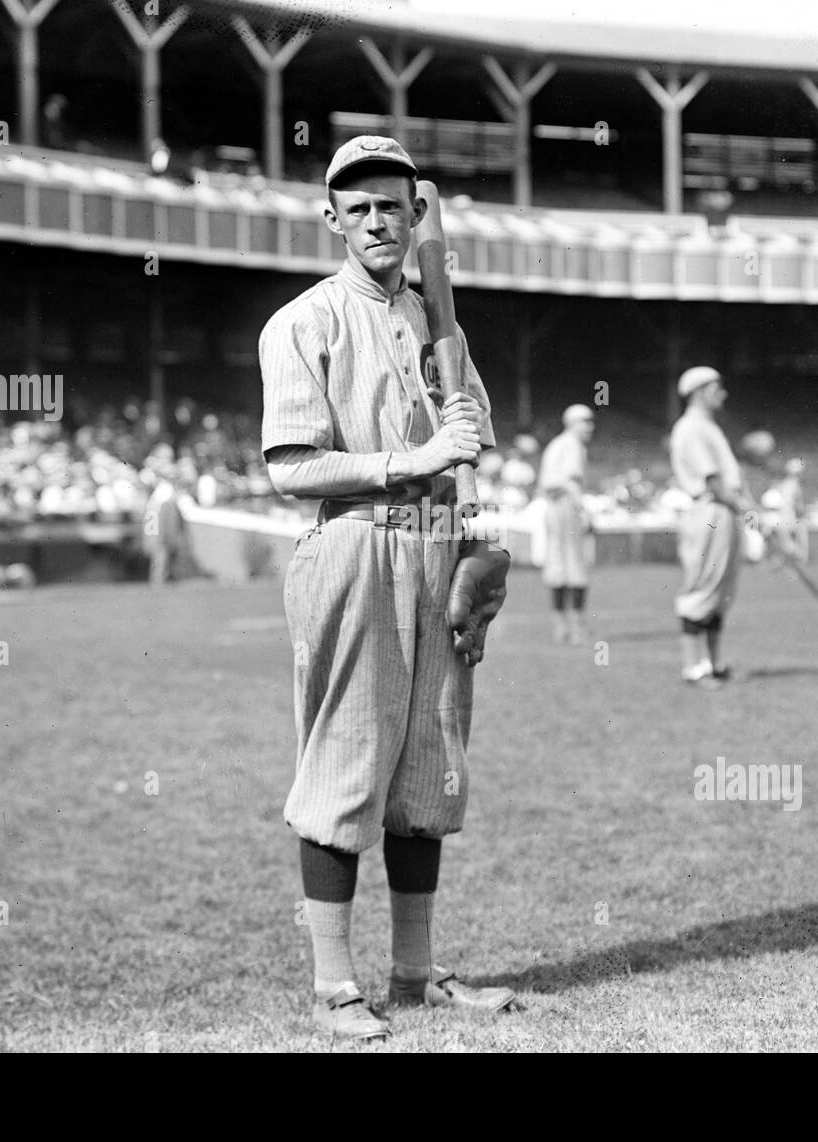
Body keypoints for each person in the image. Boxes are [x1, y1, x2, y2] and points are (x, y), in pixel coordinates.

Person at [259, 135, 514, 1044]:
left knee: (428, 768)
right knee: (347, 760)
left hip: (438, 542)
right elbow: (293, 465)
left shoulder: (442, 327)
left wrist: (486, 542)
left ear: (417, 217)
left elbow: (471, 447)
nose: (377, 219)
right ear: (332, 218)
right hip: (354, 542)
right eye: (357, 205)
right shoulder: (302, 322)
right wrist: (414, 460)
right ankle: (335, 986)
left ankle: (414, 973)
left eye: (392, 205)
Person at [667, 366, 756, 689]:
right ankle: (694, 668)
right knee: (703, 586)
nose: (723, 393)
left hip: (725, 512)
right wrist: (745, 508)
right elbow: (713, 481)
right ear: (699, 391)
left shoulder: (709, 427)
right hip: (709, 512)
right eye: (717, 387)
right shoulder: (690, 428)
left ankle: (714, 663)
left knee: (721, 591)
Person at [538, 404, 595, 644]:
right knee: (575, 565)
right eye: (585, 422)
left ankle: (562, 627)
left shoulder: (557, 444)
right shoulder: (572, 444)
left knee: (559, 564)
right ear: (572, 423)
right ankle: (576, 627)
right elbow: (569, 481)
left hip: (553, 506)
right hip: (565, 504)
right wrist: (584, 510)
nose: (590, 427)